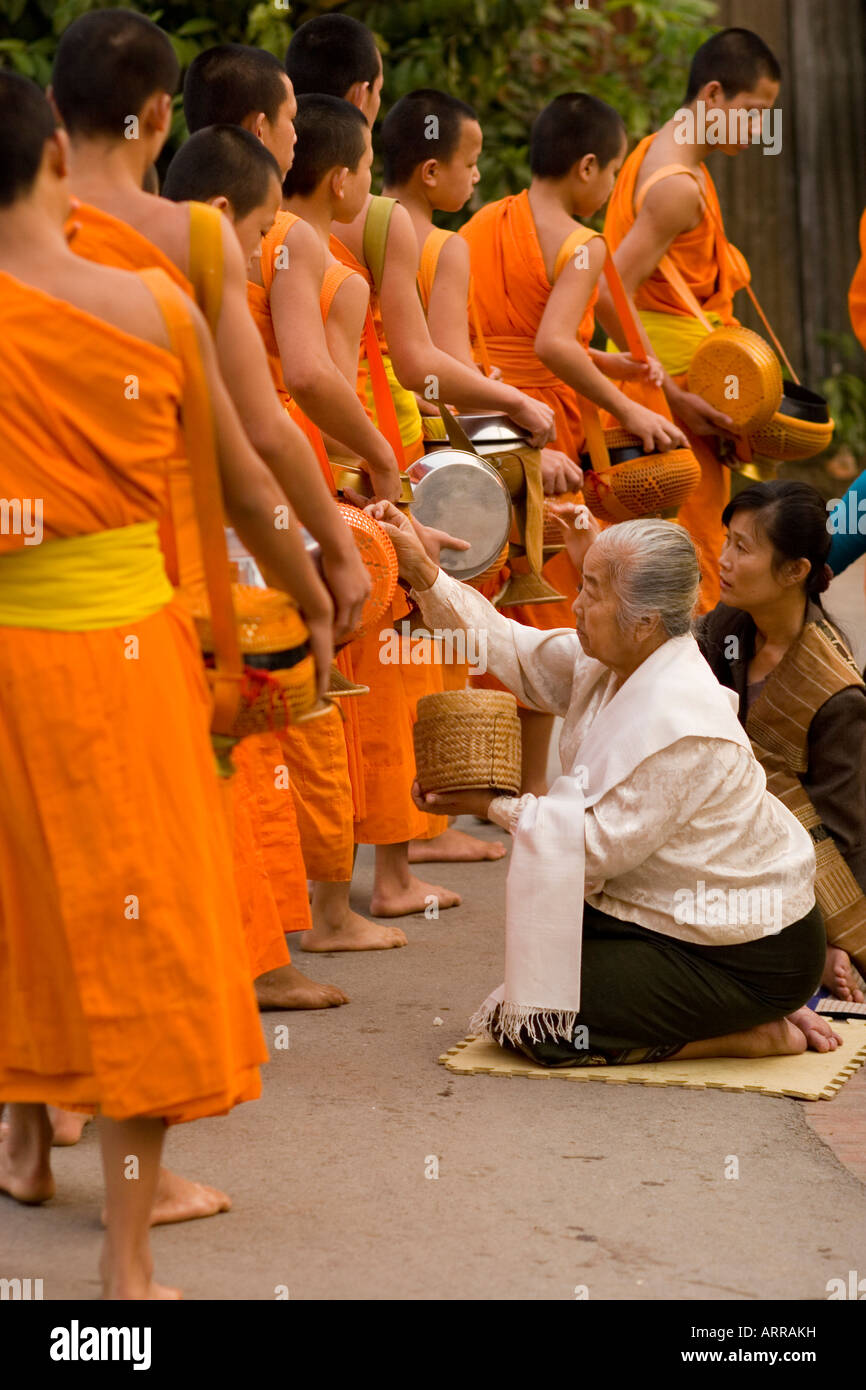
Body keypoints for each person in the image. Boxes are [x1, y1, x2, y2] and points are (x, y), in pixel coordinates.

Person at [0, 73, 328, 1295]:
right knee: (148, 938)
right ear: (50, 157)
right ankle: (125, 1264)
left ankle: (26, 1143)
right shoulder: (150, 304)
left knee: (20, 911)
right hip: (120, 660)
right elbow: (245, 485)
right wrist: (324, 582)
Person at [53, 13, 350, 1016]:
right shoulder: (188, 245)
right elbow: (259, 439)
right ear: (154, 114)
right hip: (155, 580)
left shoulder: (24, 235)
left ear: (54, 112)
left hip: (33, 587)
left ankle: (35, 1097)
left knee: (49, 844)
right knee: (166, 815)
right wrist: (326, 568)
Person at [365, 496, 843, 1067]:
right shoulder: (612, 659)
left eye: (593, 590)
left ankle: (755, 1028)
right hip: (679, 913)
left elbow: (592, 851)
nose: (575, 602)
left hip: (751, 947)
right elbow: (510, 647)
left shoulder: (683, 720)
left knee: (534, 1025)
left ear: (643, 620)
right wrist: (421, 571)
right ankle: (738, 1008)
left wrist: (493, 805)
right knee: (545, 954)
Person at [460, 92, 684, 791]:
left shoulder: (479, 225)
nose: (613, 188)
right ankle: (529, 789)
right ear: (587, 166)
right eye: (614, 173)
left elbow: (517, 340)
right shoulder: (580, 244)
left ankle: (476, 776)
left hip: (480, 411)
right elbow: (554, 345)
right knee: (544, 606)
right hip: (540, 430)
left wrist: (606, 362)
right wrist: (629, 409)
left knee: (485, 597)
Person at [603, 27, 781, 609]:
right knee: (696, 570)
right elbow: (607, 295)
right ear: (711, 95)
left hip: (687, 384)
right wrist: (675, 400)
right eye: (753, 114)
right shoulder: (676, 186)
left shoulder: (669, 155)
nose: (759, 131)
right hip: (670, 396)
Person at [694, 481, 866, 1003]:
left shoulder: (838, 697)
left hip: (788, 862)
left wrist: (842, 934)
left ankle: (819, 949)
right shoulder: (729, 624)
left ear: (795, 572)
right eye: (727, 540)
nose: (722, 559)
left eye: (742, 548)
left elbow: (841, 838)